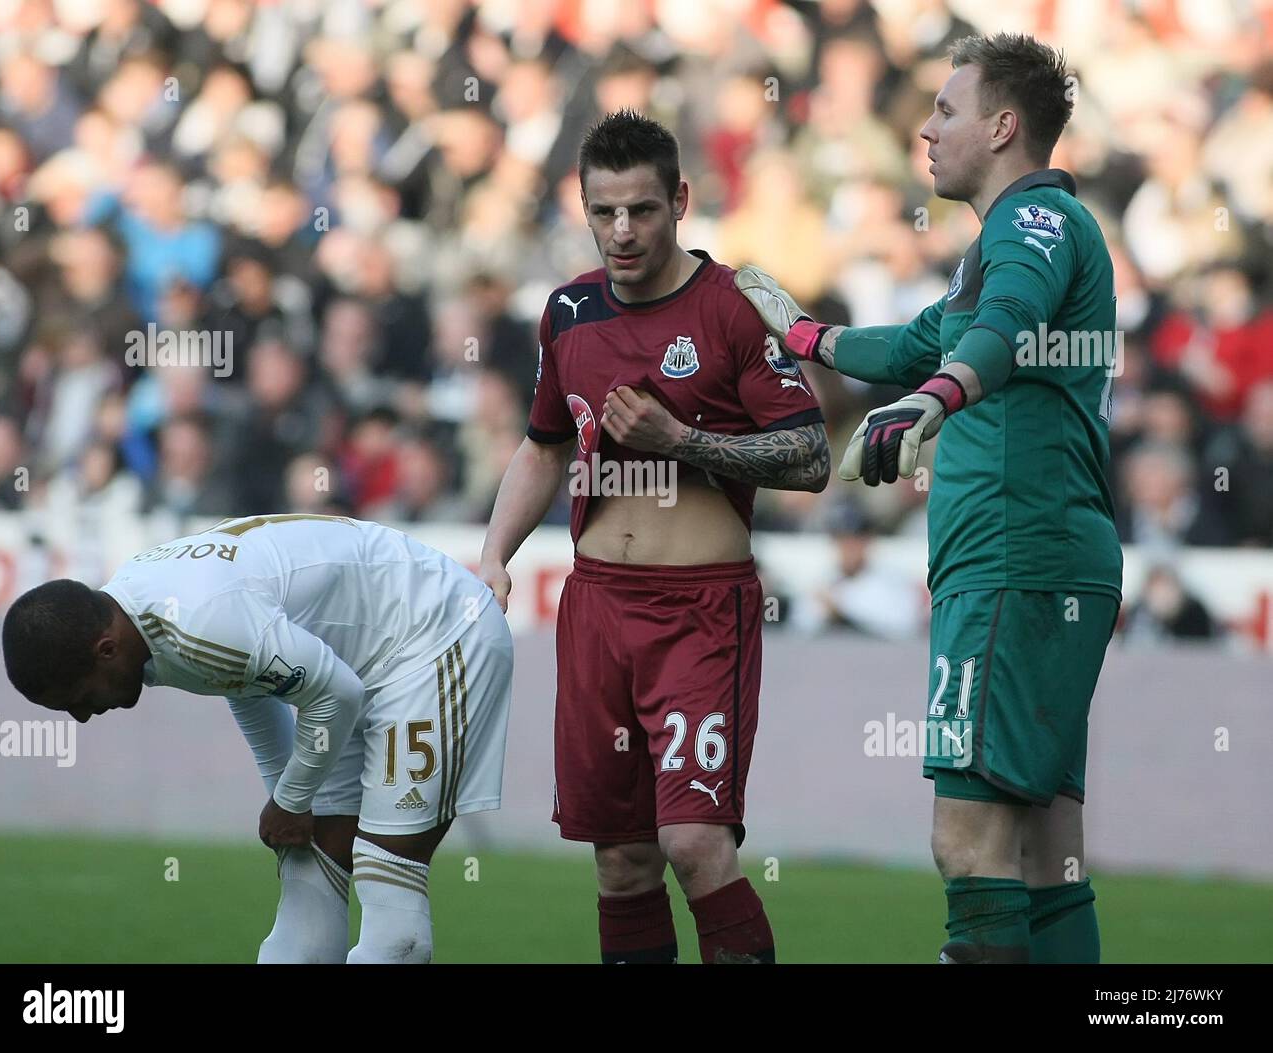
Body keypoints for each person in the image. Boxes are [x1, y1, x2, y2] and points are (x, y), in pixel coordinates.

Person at [738, 34, 1122, 963]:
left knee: (967, 843)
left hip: (1010, 558)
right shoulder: (1011, 242)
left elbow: (999, 328)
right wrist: (801, 330)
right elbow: (916, 343)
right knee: (1044, 856)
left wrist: (935, 399)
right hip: (1053, 559)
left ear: (1002, 126)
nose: (925, 127)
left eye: (946, 111)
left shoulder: (1032, 228)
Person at [479, 109, 829, 964]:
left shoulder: (735, 305)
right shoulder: (567, 312)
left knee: (694, 842)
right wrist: (494, 554)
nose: (622, 231)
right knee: (622, 858)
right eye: (604, 212)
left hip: (700, 613)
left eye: (641, 209)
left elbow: (812, 454)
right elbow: (543, 444)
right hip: (597, 607)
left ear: (680, 200)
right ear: (584, 207)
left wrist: (684, 442)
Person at [1, 513, 513, 964]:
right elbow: (245, 681)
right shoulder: (139, 615)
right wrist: (288, 800)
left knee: (389, 892)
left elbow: (336, 692)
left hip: (435, 635)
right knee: (307, 867)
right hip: (353, 664)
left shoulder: (196, 621)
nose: (82, 717)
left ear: (106, 649)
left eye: (76, 697)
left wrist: (291, 801)